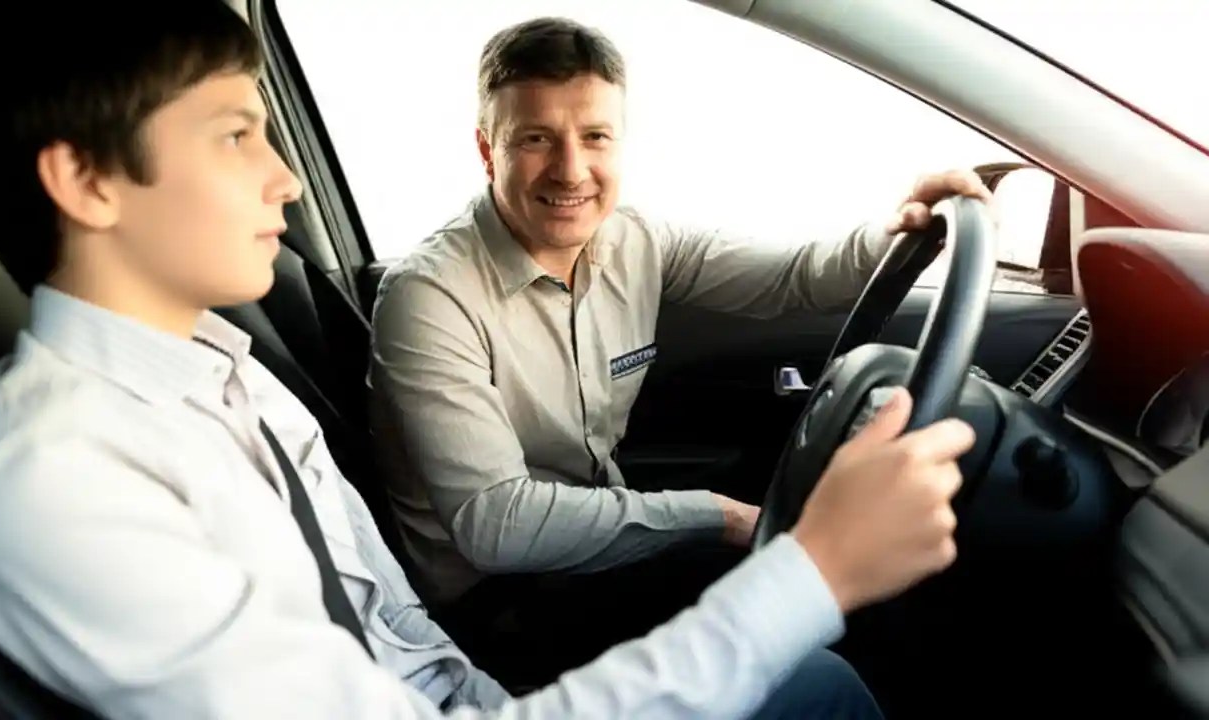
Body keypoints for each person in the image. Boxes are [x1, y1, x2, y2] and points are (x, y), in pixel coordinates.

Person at [0, 3, 974, 718]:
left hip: (458, 675)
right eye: (236, 135)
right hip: (496, 619)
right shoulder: (53, 477)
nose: (286, 178)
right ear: (88, 183)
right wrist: (809, 569)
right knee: (822, 682)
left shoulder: (219, 369)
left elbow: (396, 640)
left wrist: (898, 232)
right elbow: (480, 557)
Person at [367, 15, 992, 679]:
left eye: (595, 137)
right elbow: (498, 526)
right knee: (824, 636)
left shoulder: (634, 239)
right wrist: (716, 515)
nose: (571, 169)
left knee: (861, 590)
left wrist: (895, 234)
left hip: (589, 553)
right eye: (536, 139)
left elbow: (794, 277)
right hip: (491, 610)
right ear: (488, 149)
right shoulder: (428, 297)